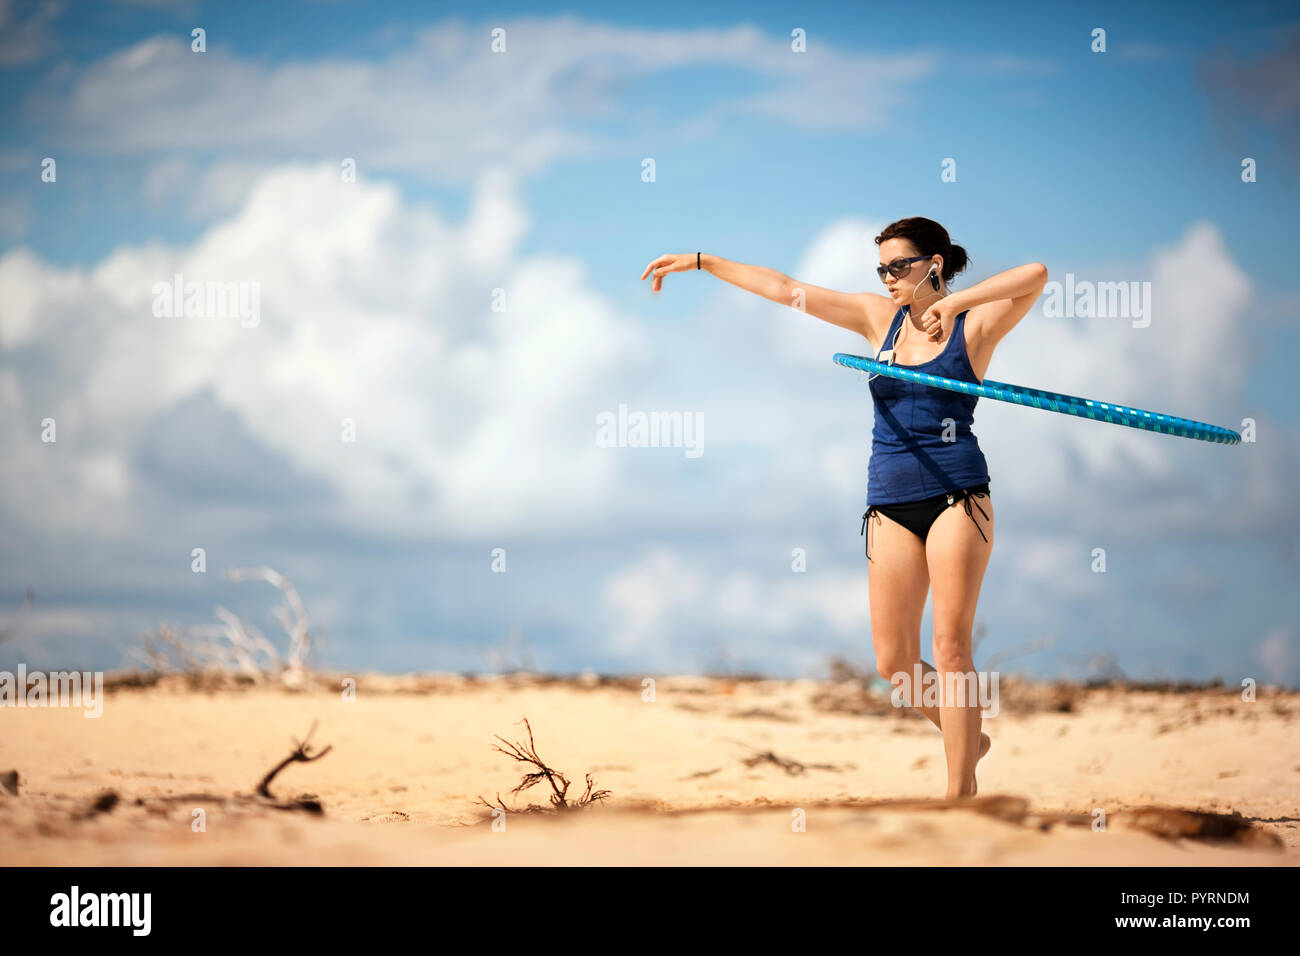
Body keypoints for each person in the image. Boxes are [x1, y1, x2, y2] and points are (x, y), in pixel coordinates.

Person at [640, 217, 1047, 797]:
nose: (886, 278)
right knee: (896, 665)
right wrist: (703, 261)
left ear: (933, 263)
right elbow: (785, 289)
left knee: (950, 645)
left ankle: (961, 793)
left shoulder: (973, 327)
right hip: (888, 502)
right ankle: (968, 735)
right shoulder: (876, 319)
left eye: (898, 266)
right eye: (880, 268)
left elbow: (1035, 275)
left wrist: (957, 307)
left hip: (958, 495)